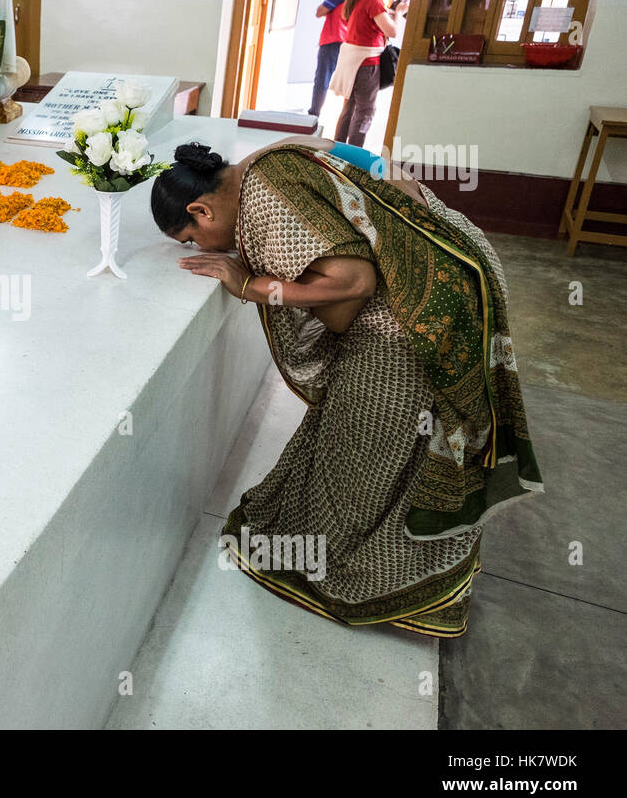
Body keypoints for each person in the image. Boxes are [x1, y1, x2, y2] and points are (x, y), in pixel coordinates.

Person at [150, 136, 542, 637]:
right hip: (455, 259)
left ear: (201, 210)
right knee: (400, 438)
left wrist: (249, 285)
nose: (206, 250)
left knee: (365, 442)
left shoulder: (265, 194)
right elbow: (371, 162)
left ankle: (378, 578)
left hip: (418, 318)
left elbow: (353, 283)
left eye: (190, 240)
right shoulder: (270, 157)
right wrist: (408, 221)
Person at [329, 0, 405, 148]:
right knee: (365, 111)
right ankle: (354, 155)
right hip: (367, 63)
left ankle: (337, 152)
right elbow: (392, 32)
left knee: (349, 108)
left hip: (352, 62)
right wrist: (400, 13)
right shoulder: (373, 1)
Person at [309, 0, 357, 118]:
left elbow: (320, 11)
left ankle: (313, 113)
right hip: (347, 38)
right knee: (344, 78)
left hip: (333, 37)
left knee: (323, 76)